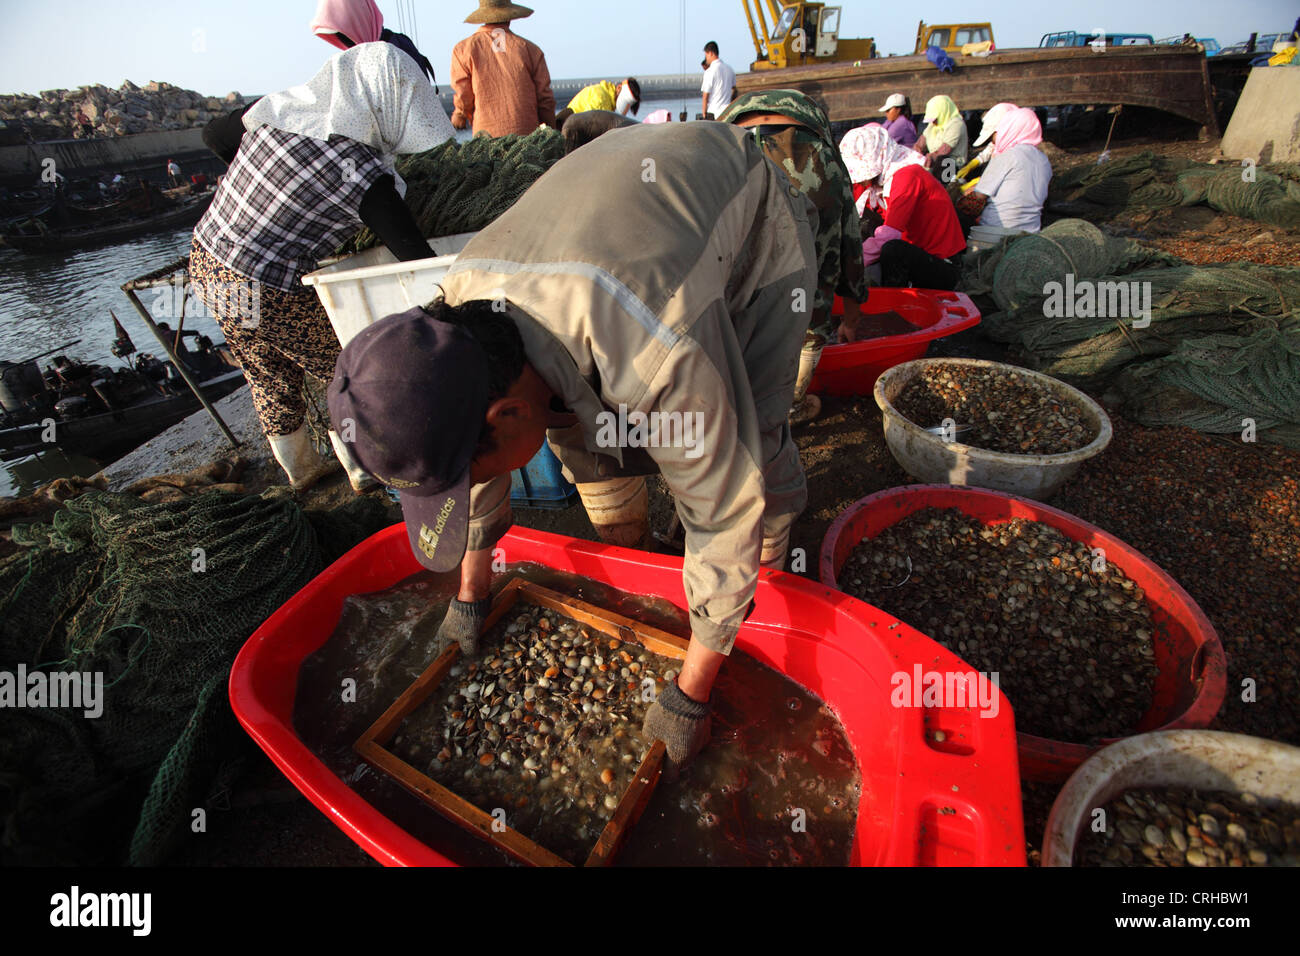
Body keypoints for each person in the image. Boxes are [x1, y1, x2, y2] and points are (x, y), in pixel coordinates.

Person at [328, 123, 818, 775]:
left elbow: (725, 506)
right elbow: (476, 455)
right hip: (611, 208)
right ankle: (646, 558)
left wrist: (689, 695)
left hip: (742, 211)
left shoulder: (651, 346)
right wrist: (472, 591)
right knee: (587, 434)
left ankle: (771, 594)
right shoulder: (457, 310)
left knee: (749, 442)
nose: (468, 482)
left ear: (506, 414)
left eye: (469, 469)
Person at [189, 43, 455, 492]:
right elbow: (415, 258)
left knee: (266, 371)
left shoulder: (281, 113)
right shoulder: (364, 176)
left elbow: (213, 135)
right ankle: (359, 468)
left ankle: (301, 472)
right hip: (267, 284)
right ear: (385, 107)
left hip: (207, 261)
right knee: (342, 366)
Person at [719, 89, 868, 343]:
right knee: (815, 258)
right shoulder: (820, 143)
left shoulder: (725, 136)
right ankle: (805, 351)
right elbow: (849, 246)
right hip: (808, 150)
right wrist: (851, 321)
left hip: (728, 146)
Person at [841, 124, 965, 290]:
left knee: (892, 250)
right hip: (919, 253)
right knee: (866, 226)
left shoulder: (906, 176)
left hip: (941, 263)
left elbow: (889, 235)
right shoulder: (883, 182)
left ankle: (895, 301)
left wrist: (849, 263)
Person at [450, 0, 556, 137]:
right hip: (527, 136)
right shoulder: (531, 49)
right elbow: (545, 99)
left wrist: (460, 115)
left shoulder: (463, 49)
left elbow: (463, 94)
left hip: (486, 137)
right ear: (510, 17)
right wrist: (551, 128)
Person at [311, 0, 439, 86]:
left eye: (344, 33)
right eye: (338, 35)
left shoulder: (394, 51)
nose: (344, 40)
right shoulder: (351, 64)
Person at [969, 107, 1052, 234]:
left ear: (1009, 129)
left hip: (995, 231)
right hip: (1030, 232)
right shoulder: (1043, 160)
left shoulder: (1007, 156)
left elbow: (978, 196)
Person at [915, 94, 968, 180]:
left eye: (935, 119)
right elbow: (920, 143)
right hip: (934, 163)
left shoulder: (956, 124)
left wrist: (930, 157)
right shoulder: (932, 126)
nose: (933, 122)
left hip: (952, 165)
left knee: (943, 162)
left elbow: (944, 150)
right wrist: (917, 152)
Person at [558, 78, 642, 126]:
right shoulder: (601, 99)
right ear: (619, 88)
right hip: (568, 124)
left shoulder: (606, 97)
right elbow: (589, 124)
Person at [968, 101, 1017, 170]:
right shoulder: (1004, 143)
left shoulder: (1016, 151)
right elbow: (991, 148)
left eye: (991, 136)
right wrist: (977, 161)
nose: (992, 142)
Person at [701, 41, 736, 118]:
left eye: (706, 55)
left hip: (714, 113)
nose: (706, 58)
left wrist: (704, 115)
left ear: (710, 53)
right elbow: (734, 89)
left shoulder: (709, 72)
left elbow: (705, 96)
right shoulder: (730, 69)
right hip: (727, 113)